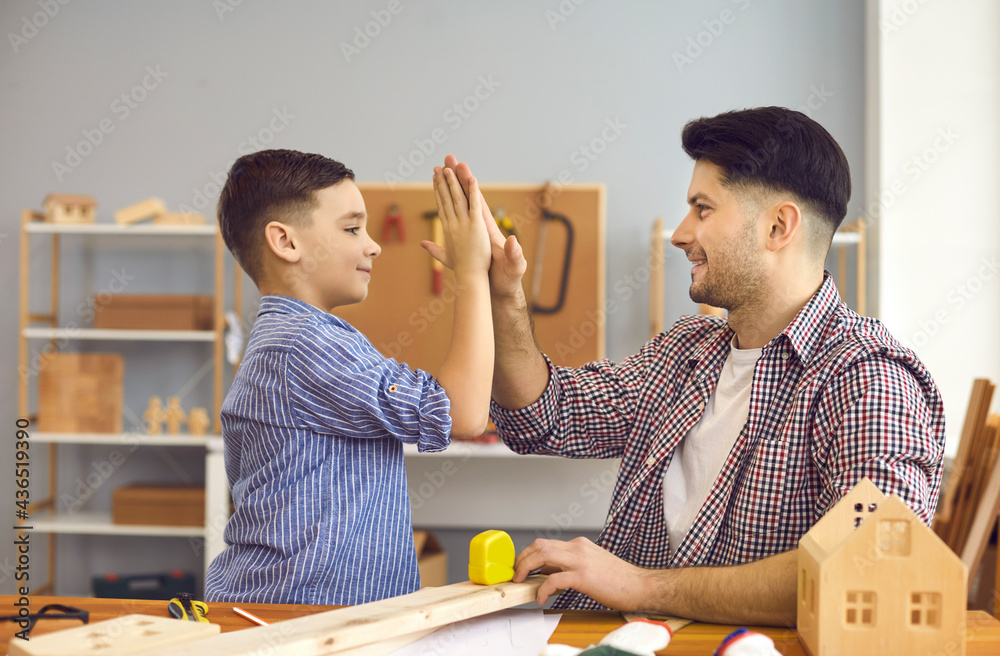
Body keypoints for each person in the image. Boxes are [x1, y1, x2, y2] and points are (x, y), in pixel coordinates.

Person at [442, 106, 945, 626]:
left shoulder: (868, 378)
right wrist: (503, 294)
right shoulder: (687, 351)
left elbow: (868, 563)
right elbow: (546, 415)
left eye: (702, 209)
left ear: (778, 226)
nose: (681, 234)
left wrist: (640, 586)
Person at [205, 149, 493, 605]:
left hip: (304, 615)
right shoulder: (305, 344)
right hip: (299, 623)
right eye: (352, 228)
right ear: (286, 242)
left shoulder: (301, 336)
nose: (373, 244)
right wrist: (475, 273)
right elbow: (462, 413)